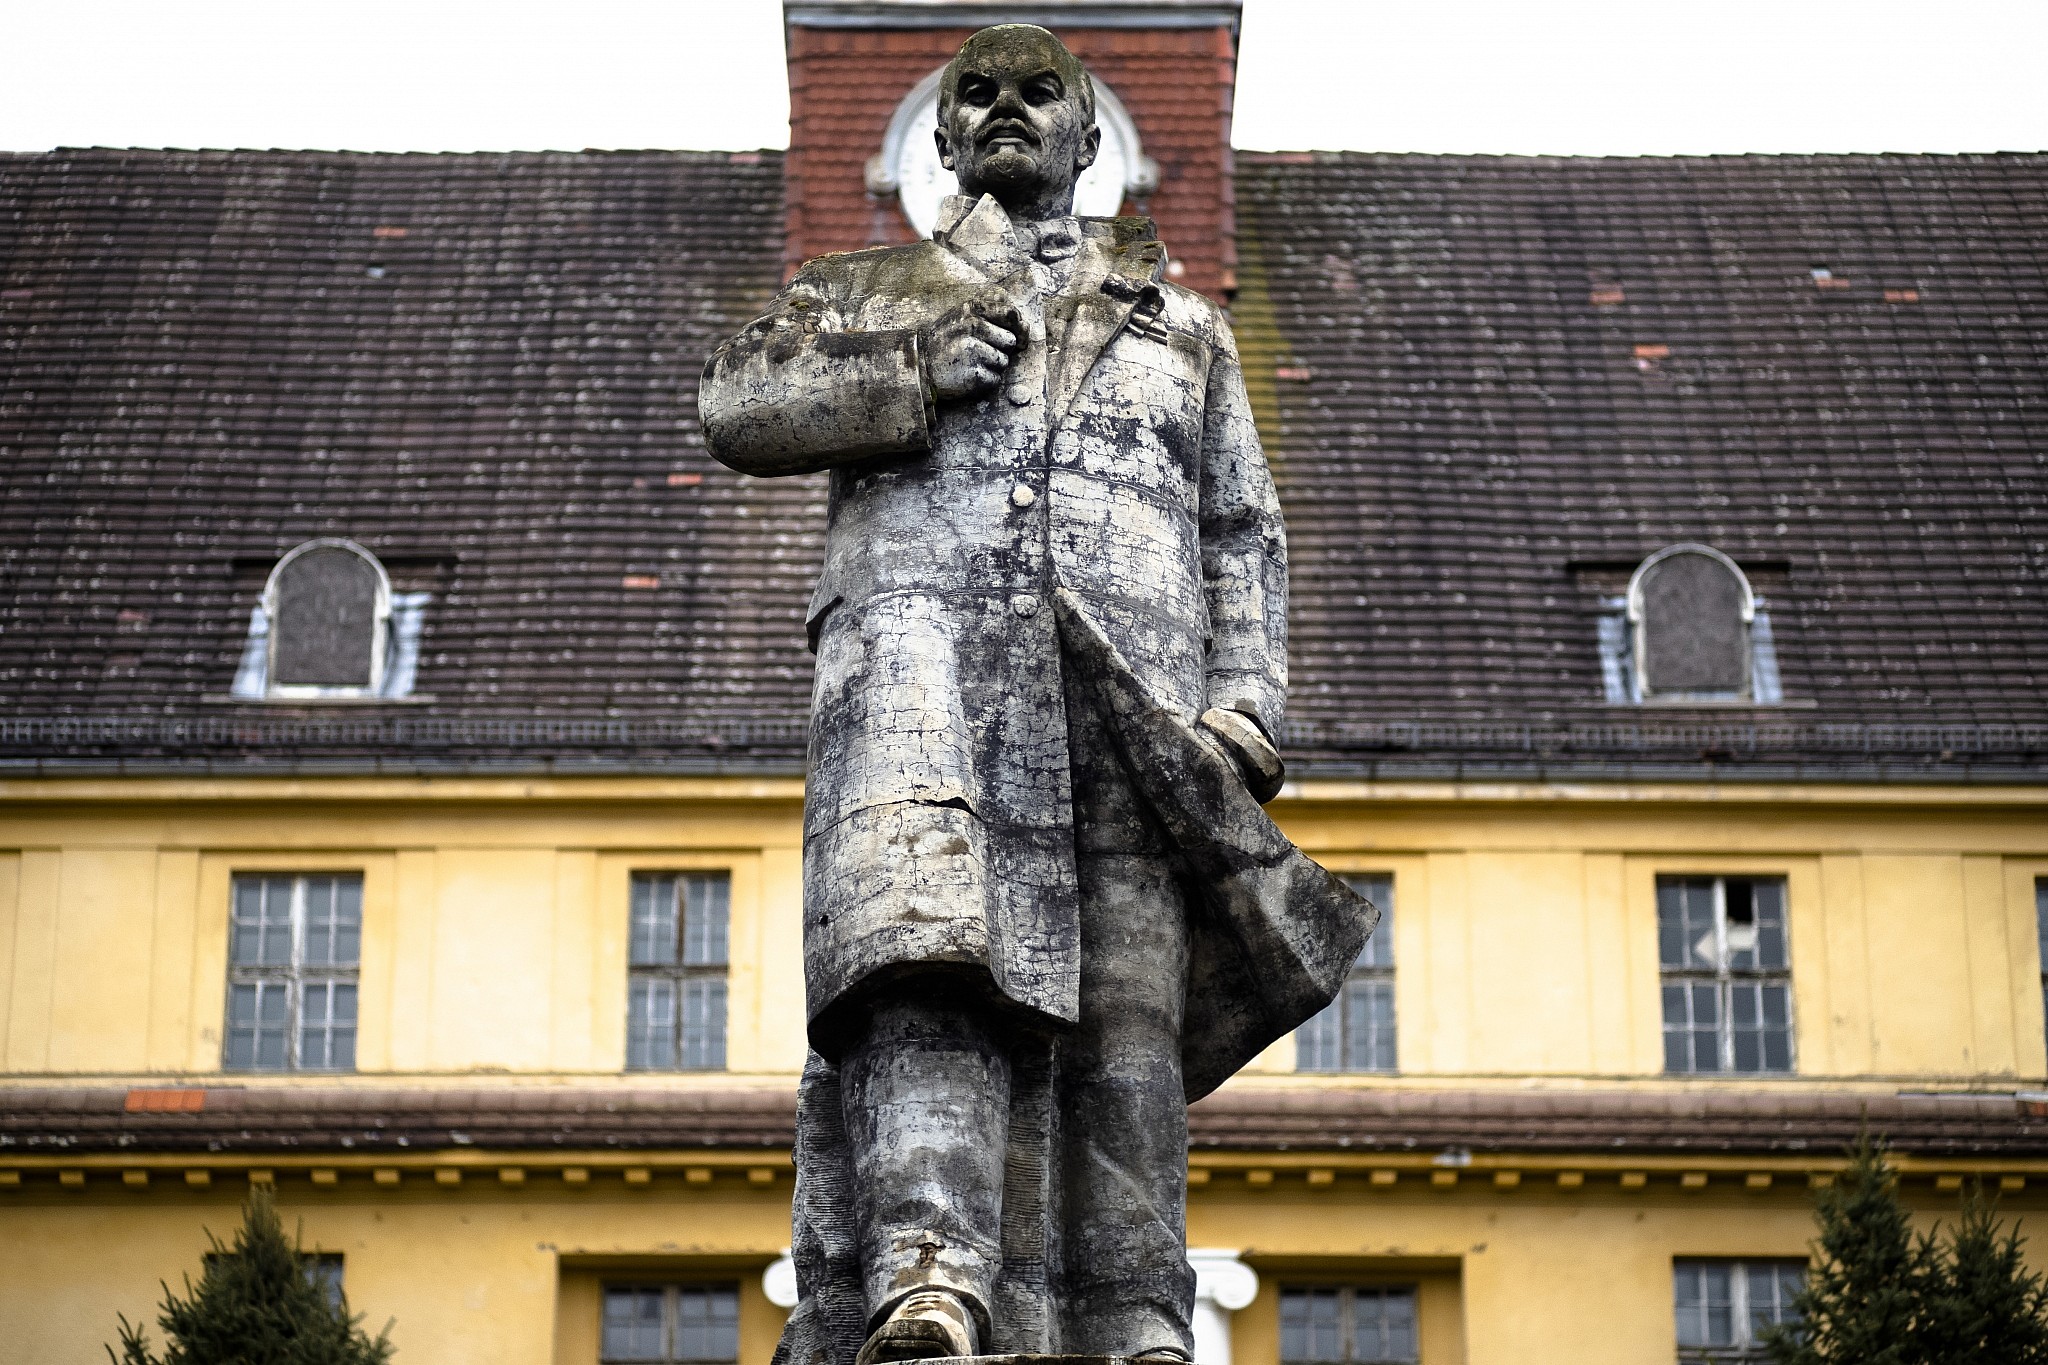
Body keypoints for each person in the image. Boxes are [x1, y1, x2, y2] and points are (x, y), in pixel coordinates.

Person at [701, 25, 1367, 1365]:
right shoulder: (869, 288)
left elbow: (1241, 526)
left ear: (1088, 137)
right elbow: (738, 401)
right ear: (945, 143)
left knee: (1127, 1015)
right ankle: (926, 1282)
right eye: (976, 95)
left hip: (1132, 704)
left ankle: (1133, 1312)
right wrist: (905, 374)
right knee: (923, 971)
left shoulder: (1184, 329)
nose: (1006, 108)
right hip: (921, 689)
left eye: (1038, 91)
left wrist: (1246, 702)